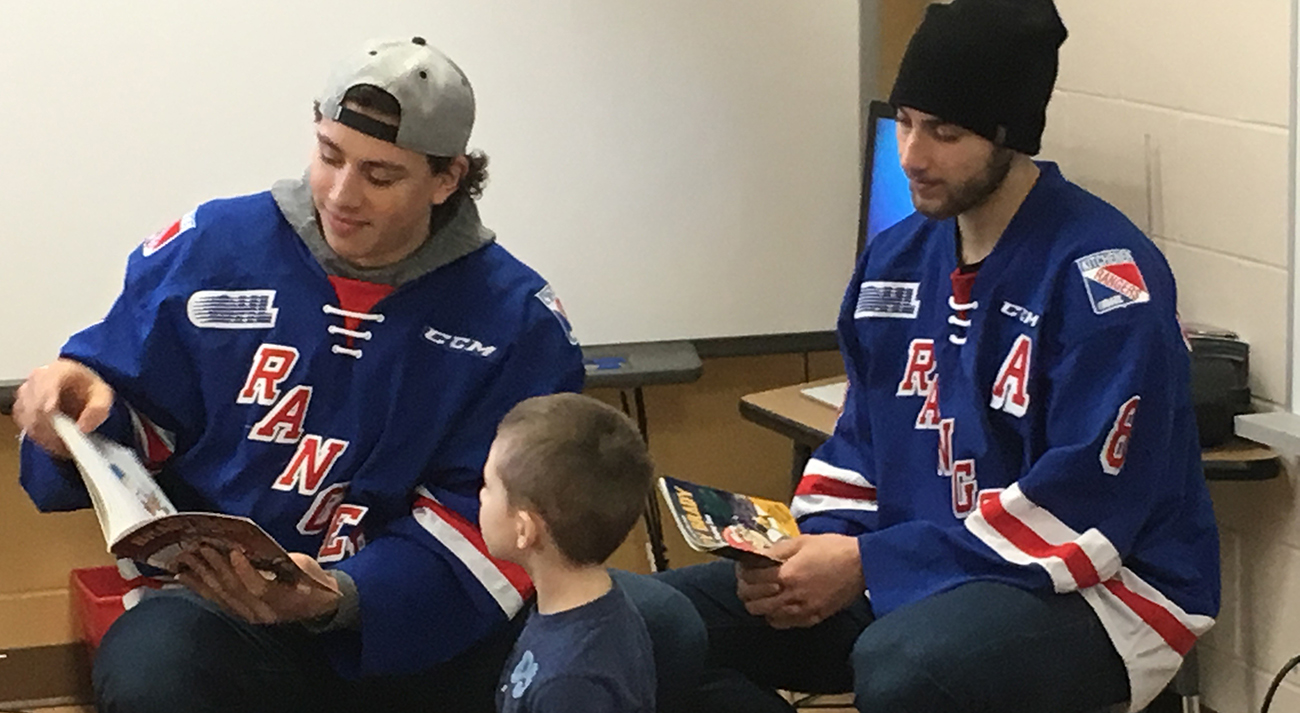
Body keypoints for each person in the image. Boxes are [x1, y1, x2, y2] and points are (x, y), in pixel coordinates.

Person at [12, 37, 701, 713]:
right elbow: (126, 411)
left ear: (447, 179)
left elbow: (502, 519)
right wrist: (73, 408)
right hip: (233, 617)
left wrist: (343, 596)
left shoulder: (516, 319)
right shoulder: (210, 248)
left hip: (425, 625)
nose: (342, 194)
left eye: (381, 175)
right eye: (329, 155)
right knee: (152, 660)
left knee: (656, 626)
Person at [657, 2, 1220, 712]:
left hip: (1104, 588)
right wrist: (812, 552)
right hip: (914, 567)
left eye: (945, 133)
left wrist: (868, 564)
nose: (912, 156)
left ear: (1010, 136)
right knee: (651, 622)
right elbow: (862, 439)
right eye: (906, 122)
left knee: (906, 667)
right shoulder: (893, 260)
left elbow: (1085, 510)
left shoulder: (1105, 279)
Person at [481, 393, 657, 713]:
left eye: (488, 486)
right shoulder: (586, 608)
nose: (480, 496)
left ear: (524, 529)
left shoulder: (570, 685)